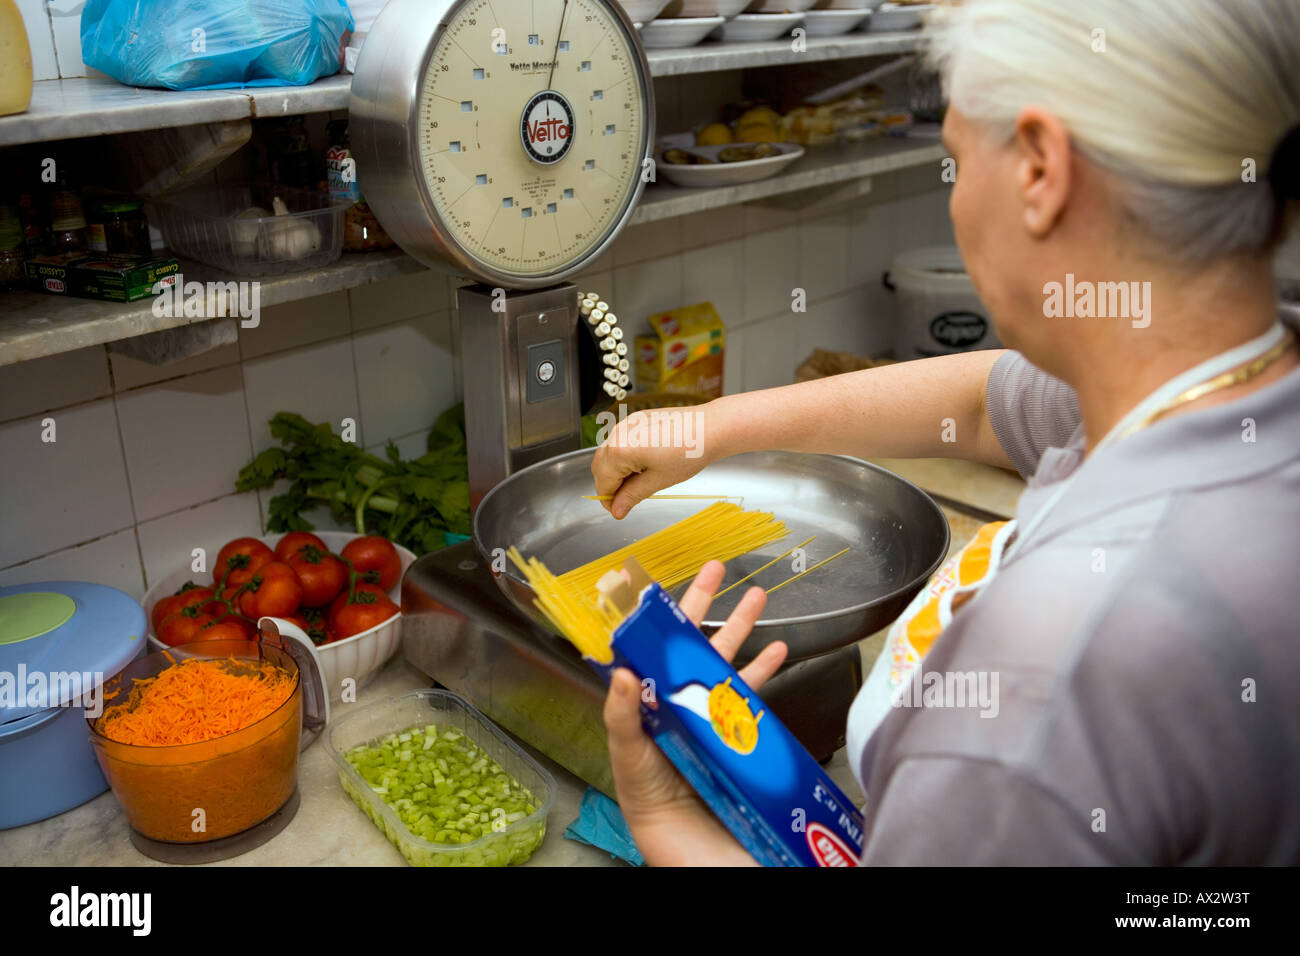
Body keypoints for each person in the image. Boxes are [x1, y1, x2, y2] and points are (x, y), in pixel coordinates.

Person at [591, 0, 1300, 865]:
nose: (958, 197)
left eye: (958, 160)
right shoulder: (1218, 377)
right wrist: (711, 428)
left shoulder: (1044, 683)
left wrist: (663, 819)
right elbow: (977, 402)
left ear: (1041, 169)